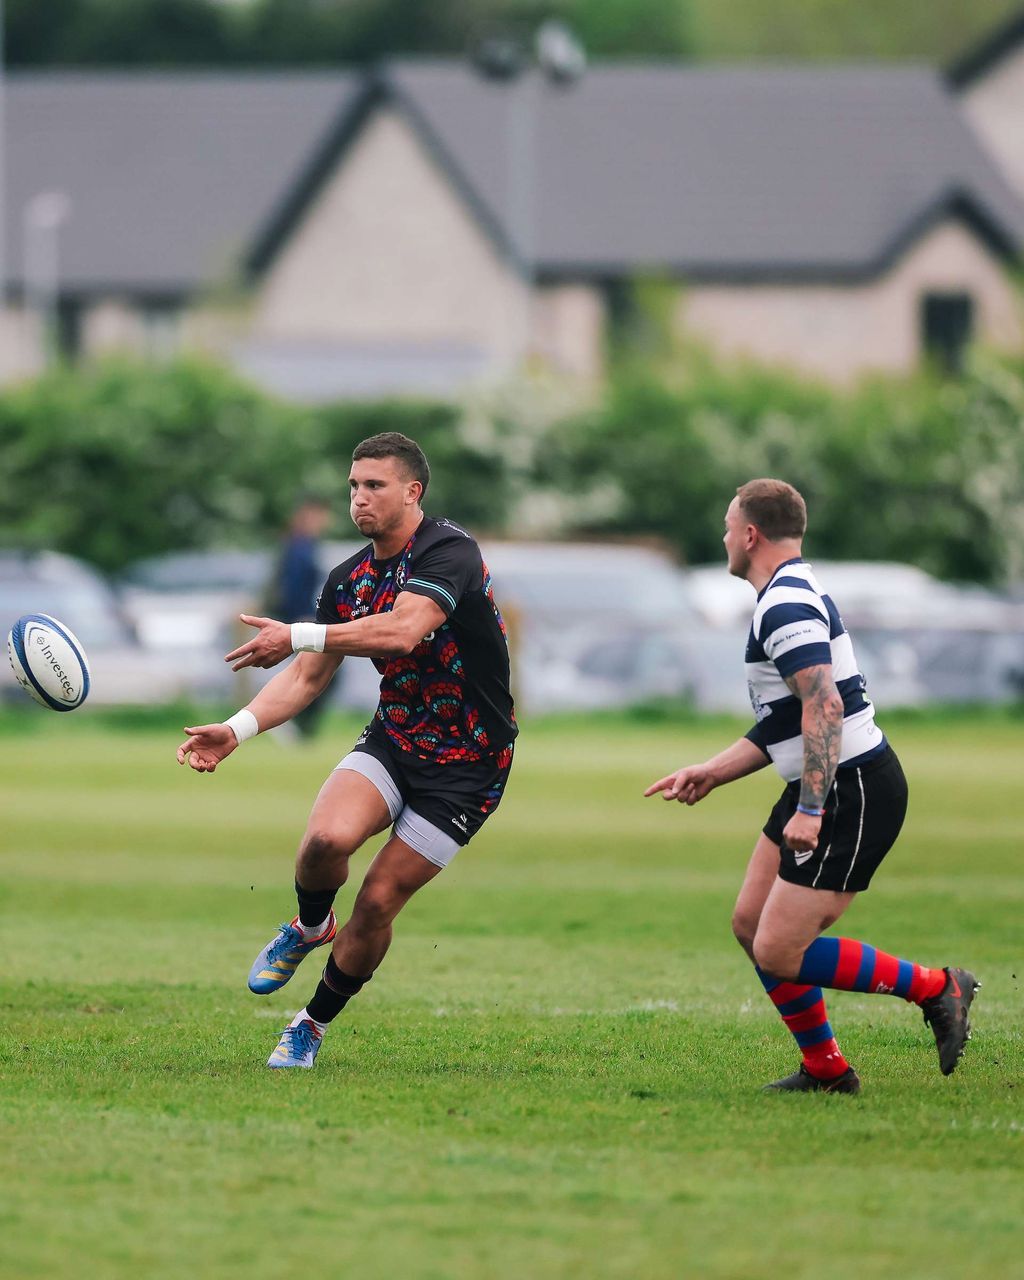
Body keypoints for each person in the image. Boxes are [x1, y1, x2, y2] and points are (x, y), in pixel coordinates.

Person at [176, 432, 517, 1069]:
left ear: (413, 492)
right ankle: (308, 926)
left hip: (469, 766)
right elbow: (307, 678)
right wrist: (238, 729)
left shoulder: (450, 549)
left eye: (375, 486)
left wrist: (300, 634)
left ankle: (310, 1024)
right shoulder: (347, 579)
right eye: (354, 486)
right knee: (324, 842)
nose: (359, 499)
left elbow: (402, 630)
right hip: (395, 737)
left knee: (379, 900)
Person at [645, 478, 978, 1094]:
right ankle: (826, 1071)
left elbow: (824, 707)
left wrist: (811, 807)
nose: (723, 538)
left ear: (750, 534)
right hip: (827, 782)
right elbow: (786, 716)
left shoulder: (784, 604)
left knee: (777, 950)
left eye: (727, 526)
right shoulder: (787, 592)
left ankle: (940, 988)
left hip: (847, 790)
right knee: (750, 924)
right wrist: (712, 772)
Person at [263, 495, 333, 739]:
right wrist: (300, 617)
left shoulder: (305, 544)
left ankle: (297, 724)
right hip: (301, 619)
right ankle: (290, 721)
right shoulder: (298, 546)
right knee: (313, 672)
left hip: (307, 618)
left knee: (316, 672)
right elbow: (293, 587)